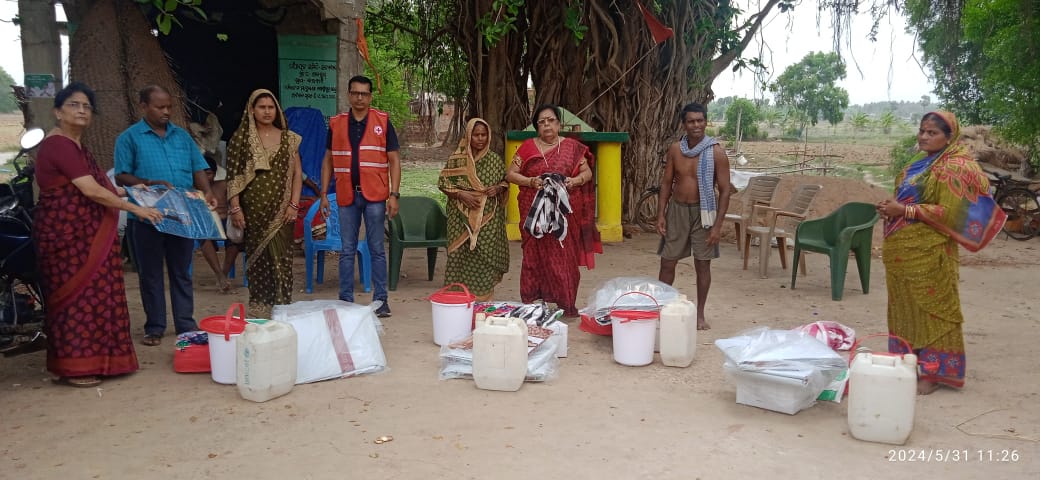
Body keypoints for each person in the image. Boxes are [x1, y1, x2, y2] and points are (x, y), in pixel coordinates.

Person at [33, 82, 164, 387]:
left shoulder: (75, 145)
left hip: (87, 236)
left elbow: (98, 187)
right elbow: (90, 190)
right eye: (73, 105)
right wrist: (136, 209)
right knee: (76, 300)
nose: (81, 111)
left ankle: (102, 363)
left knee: (97, 295)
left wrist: (130, 189)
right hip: (68, 237)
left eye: (86, 107)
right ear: (57, 112)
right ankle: (75, 368)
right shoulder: (58, 145)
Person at [876, 111, 1006, 395]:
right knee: (904, 310)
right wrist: (892, 208)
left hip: (930, 253)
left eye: (932, 133)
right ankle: (907, 362)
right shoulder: (921, 163)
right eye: (922, 131)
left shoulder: (955, 167)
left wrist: (905, 210)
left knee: (935, 312)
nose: (923, 136)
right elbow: (909, 198)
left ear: (950, 137)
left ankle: (935, 372)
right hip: (902, 253)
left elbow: (951, 213)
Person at [115, 85, 216, 347]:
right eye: (160, 107)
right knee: (150, 274)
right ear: (143, 106)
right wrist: (149, 182)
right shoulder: (130, 138)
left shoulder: (182, 137)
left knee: (181, 271)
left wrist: (207, 193)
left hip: (181, 215)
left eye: (169, 106)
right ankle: (155, 326)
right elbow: (121, 175)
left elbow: (198, 168)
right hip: (147, 216)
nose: (166, 112)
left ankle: (185, 322)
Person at [505, 104, 601, 317]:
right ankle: (531, 302)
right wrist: (531, 181)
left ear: (558, 124)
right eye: (541, 122)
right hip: (534, 213)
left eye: (550, 120)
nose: (546, 124)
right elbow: (511, 174)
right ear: (536, 127)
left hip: (564, 215)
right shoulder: (527, 147)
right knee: (532, 256)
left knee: (563, 256)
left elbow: (587, 173)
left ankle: (566, 303)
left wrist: (573, 181)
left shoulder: (572, 147)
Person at [319, 75, 400, 318]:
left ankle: (381, 300)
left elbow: (394, 160)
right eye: (355, 93)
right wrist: (323, 194)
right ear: (348, 94)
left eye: (364, 93)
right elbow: (328, 160)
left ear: (371, 96)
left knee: (376, 249)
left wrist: (394, 195)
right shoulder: (336, 123)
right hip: (346, 196)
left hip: (375, 196)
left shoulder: (382, 122)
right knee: (347, 250)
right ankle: (345, 300)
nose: (360, 98)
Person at [226, 89, 303, 315]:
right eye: (262, 107)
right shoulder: (241, 141)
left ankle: (282, 307)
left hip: (282, 211)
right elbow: (232, 177)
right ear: (252, 110)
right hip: (252, 211)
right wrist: (236, 207)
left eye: (271, 107)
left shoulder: (289, 138)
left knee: (281, 260)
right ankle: (259, 306)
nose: (267, 111)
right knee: (257, 259)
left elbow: (298, 173)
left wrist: (294, 204)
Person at [656, 102, 732, 330]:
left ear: (706, 122)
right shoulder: (676, 150)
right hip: (677, 210)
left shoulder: (716, 152)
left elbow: (725, 190)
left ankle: (699, 314)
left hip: (704, 214)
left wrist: (718, 226)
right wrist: (661, 213)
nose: (696, 125)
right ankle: (662, 308)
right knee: (667, 263)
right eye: (691, 121)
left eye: (700, 120)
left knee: (702, 265)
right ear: (684, 124)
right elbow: (667, 183)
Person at [437, 118, 510, 300]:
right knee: (458, 253)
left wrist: (498, 188)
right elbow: (443, 182)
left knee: (484, 256)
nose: (480, 139)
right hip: (459, 217)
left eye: (483, 135)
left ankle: (482, 297)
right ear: (468, 136)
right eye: (476, 135)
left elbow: (505, 181)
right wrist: (461, 195)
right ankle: (455, 296)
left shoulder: (494, 159)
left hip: (488, 217)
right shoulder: (457, 159)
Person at [198, 155, 242, 293]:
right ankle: (219, 274)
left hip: (225, 222)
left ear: (215, 173)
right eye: (202, 174)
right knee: (203, 238)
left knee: (236, 240)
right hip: (207, 225)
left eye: (209, 173)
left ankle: (224, 273)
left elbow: (236, 200)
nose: (206, 177)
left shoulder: (223, 185)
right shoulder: (194, 190)